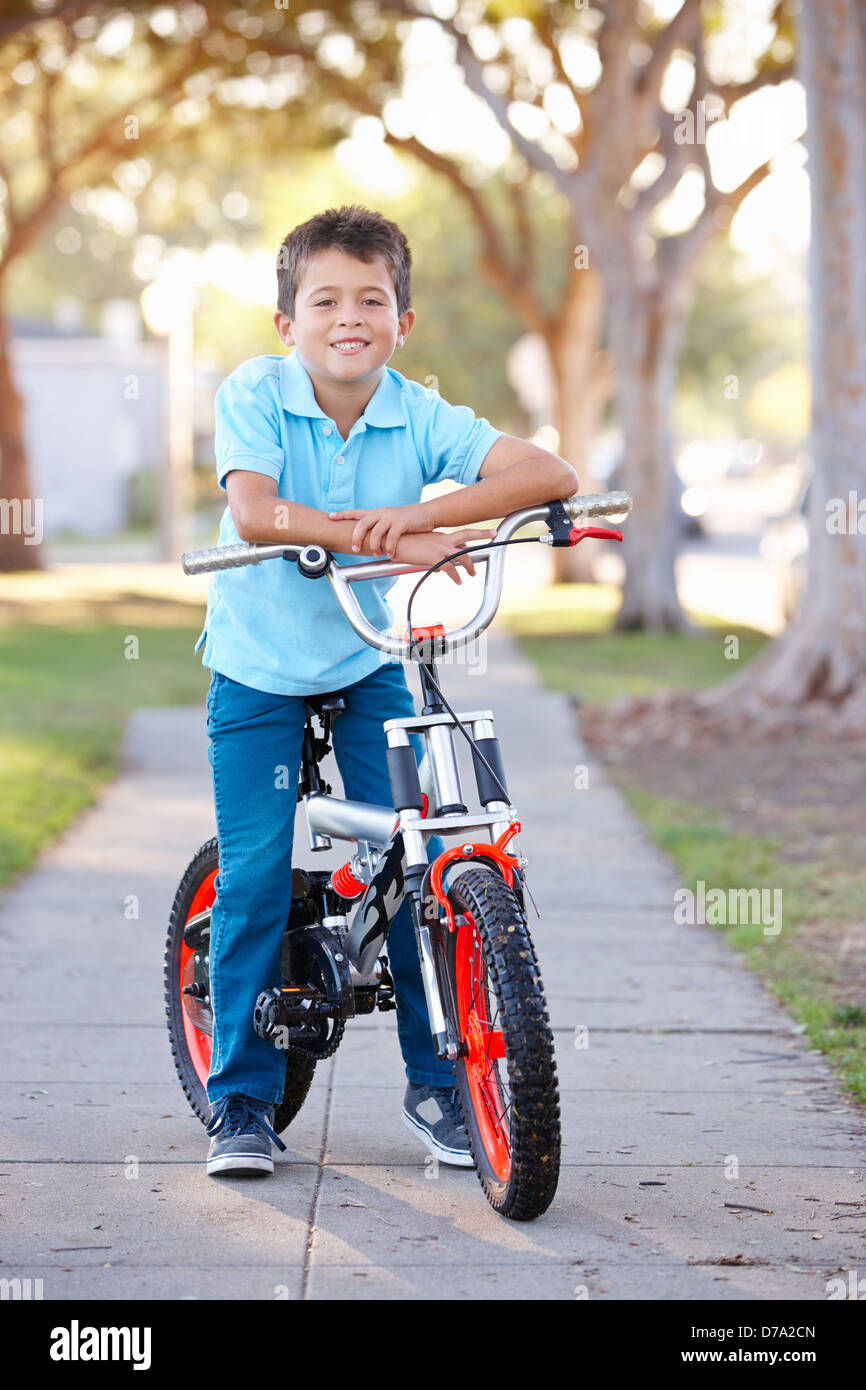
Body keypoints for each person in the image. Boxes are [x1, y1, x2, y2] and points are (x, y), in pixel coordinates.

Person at [197, 203, 578, 1177]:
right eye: (324, 300)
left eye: (371, 300)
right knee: (254, 873)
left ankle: (436, 1083)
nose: (348, 318)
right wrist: (384, 537)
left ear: (402, 322)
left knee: (417, 855)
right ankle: (241, 1098)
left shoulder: (419, 412)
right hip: (257, 664)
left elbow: (548, 470)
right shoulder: (255, 391)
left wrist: (413, 516)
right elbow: (255, 513)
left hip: (367, 659)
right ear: (287, 323)